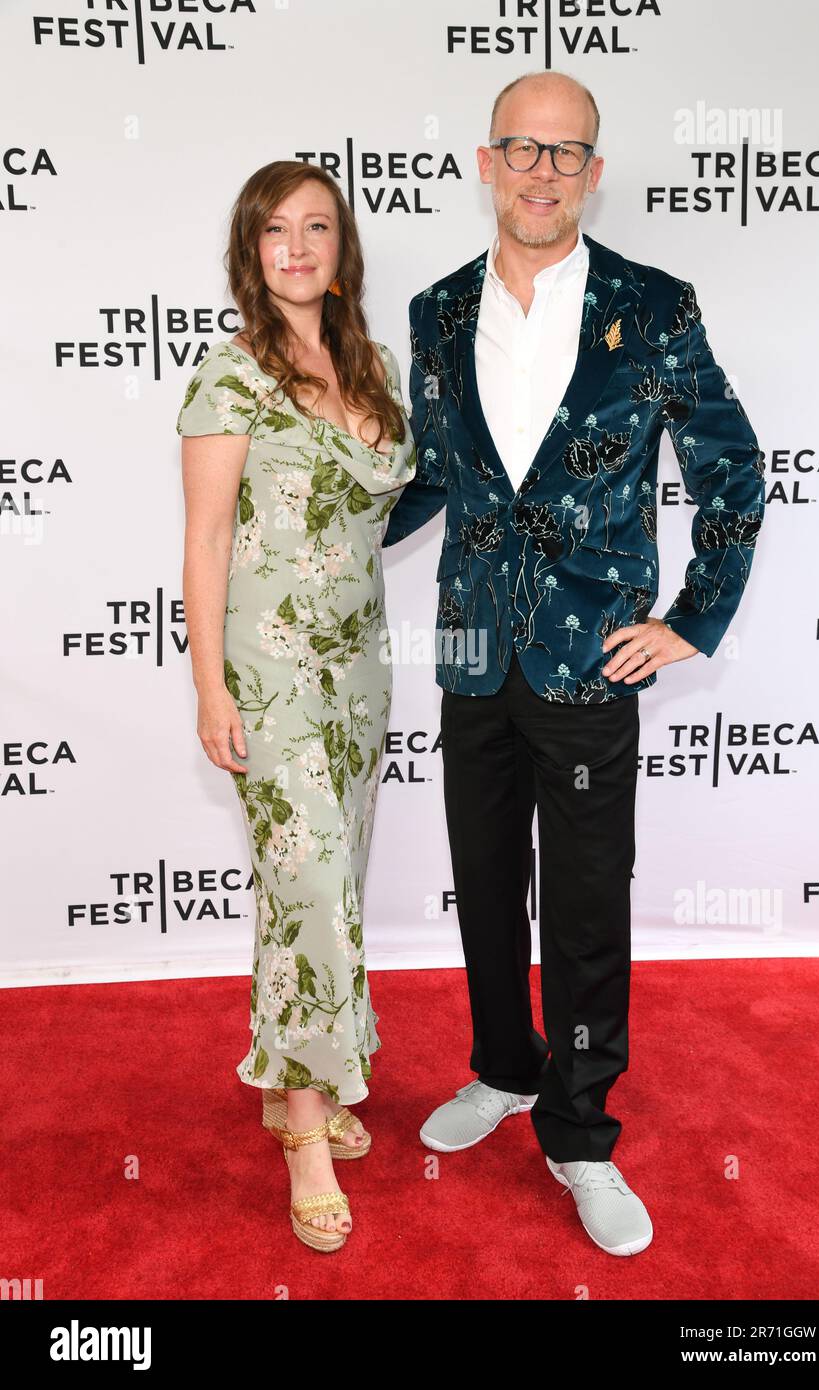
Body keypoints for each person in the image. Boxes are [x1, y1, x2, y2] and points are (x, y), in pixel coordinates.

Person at [383, 72, 765, 1257]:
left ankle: (580, 1131)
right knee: (483, 878)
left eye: (565, 154)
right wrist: (323, 532)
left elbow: (730, 475)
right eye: (520, 149)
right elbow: (440, 481)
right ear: (484, 163)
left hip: (589, 657)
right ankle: (501, 1067)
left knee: (587, 905)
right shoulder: (436, 309)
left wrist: (691, 621)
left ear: (593, 173)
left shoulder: (653, 307)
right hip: (463, 645)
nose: (541, 173)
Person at [176, 161, 416, 1253]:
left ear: (340, 247)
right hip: (268, 676)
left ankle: (288, 1077)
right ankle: (307, 1134)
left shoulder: (370, 364)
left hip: (359, 671)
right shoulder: (230, 377)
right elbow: (209, 538)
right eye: (276, 229)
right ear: (249, 248)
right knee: (309, 881)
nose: (298, 246)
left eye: (317, 226)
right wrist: (208, 686)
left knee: (318, 886)